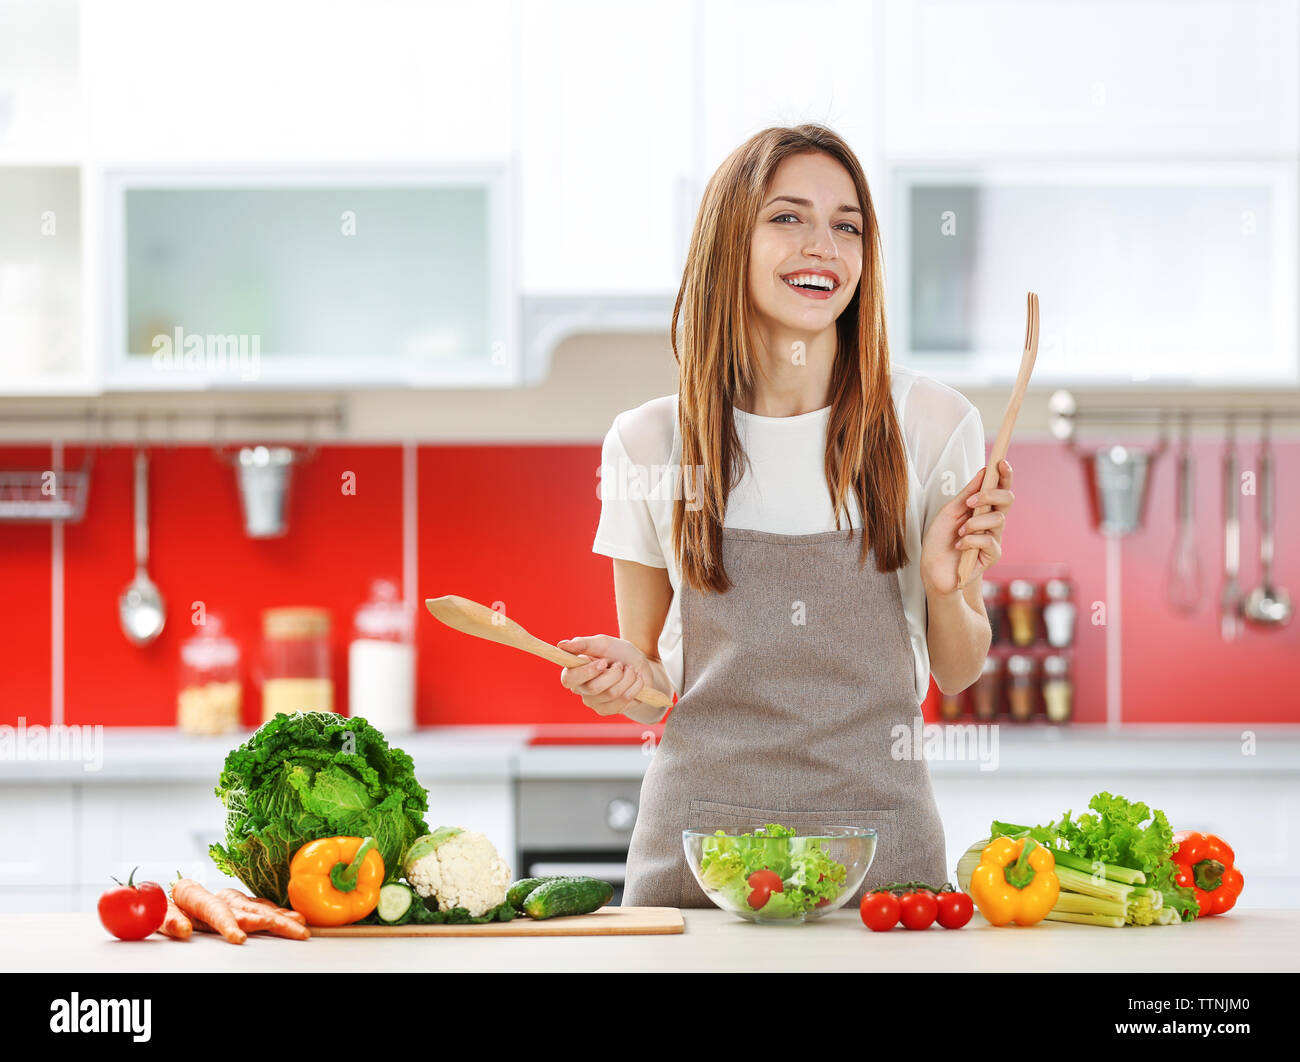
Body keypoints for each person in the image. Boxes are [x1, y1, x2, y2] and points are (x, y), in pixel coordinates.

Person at [557, 124, 1014, 909]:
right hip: (697, 862)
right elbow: (650, 685)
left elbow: (961, 668)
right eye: (788, 217)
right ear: (730, 239)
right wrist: (616, 677)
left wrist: (944, 588)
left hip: (884, 860)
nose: (823, 248)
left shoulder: (933, 422)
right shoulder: (651, 440)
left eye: (847, 226)